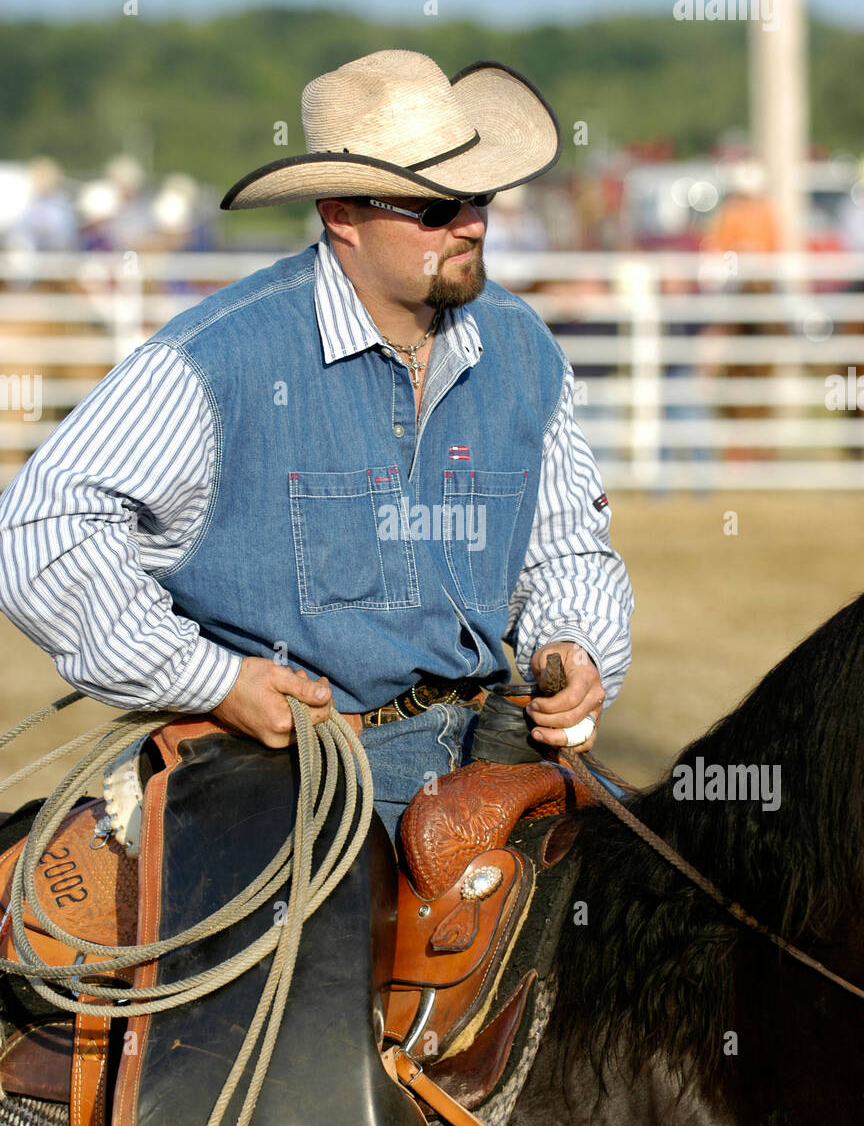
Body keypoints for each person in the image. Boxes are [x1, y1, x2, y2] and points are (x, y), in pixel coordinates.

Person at [0, 49, 634, 839]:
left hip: (498, 754)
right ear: (342, 214)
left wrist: (575, 648)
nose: (469, 222)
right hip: (301, 774)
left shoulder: (520, 346)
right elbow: (43, 527)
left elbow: (567, 547)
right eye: (435, 208)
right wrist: (212, 681)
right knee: (327, 963)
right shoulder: (218, 357)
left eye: (477, 196)